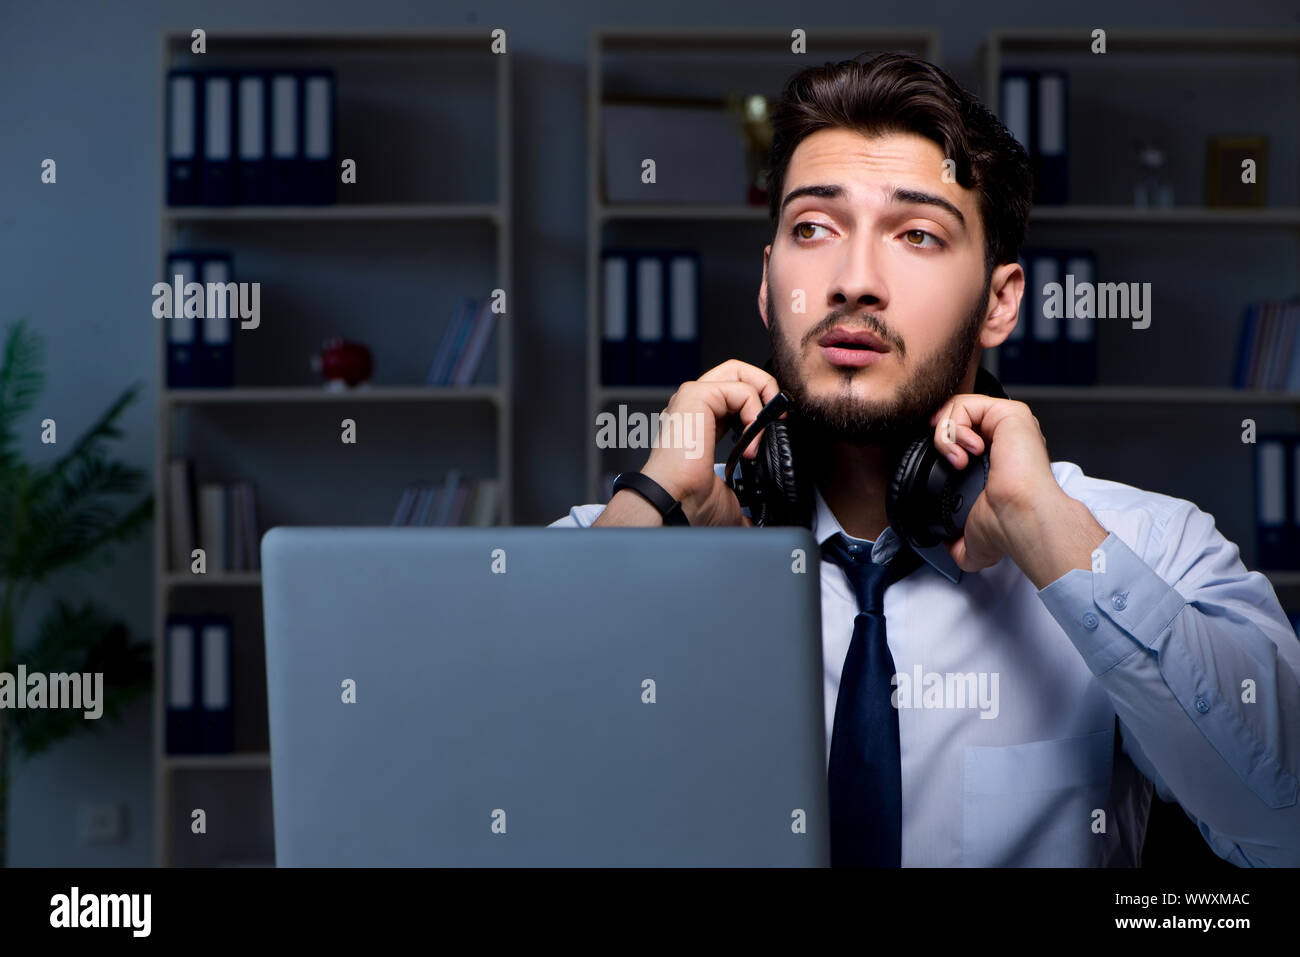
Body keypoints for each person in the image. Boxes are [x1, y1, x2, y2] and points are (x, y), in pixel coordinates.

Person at [550, 52, 1300, 867]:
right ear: (770, 284)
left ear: (1001, 300)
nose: (854, 280)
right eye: (813, 228)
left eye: (916, 234)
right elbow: (480, 809)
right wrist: (647, 513)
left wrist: (1045, 532)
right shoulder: (618, 540)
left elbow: (1280, 822)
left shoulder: (1142, 547)